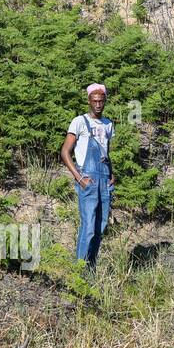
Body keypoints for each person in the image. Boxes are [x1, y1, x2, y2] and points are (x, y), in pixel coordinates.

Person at [59, 83, 114, 267]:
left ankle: (91, 270)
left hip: (105, 180)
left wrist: (112, 175)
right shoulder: (79, 121)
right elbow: (65, 152)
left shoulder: (108, 124)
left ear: (105, 101)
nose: (98, 104)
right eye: (95, 101)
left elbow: (107, 152)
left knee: (101, 227)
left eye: (101, 101)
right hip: (87, 179)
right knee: (89, 227)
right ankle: (79, 270)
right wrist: (79, 178)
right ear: (89, 101)